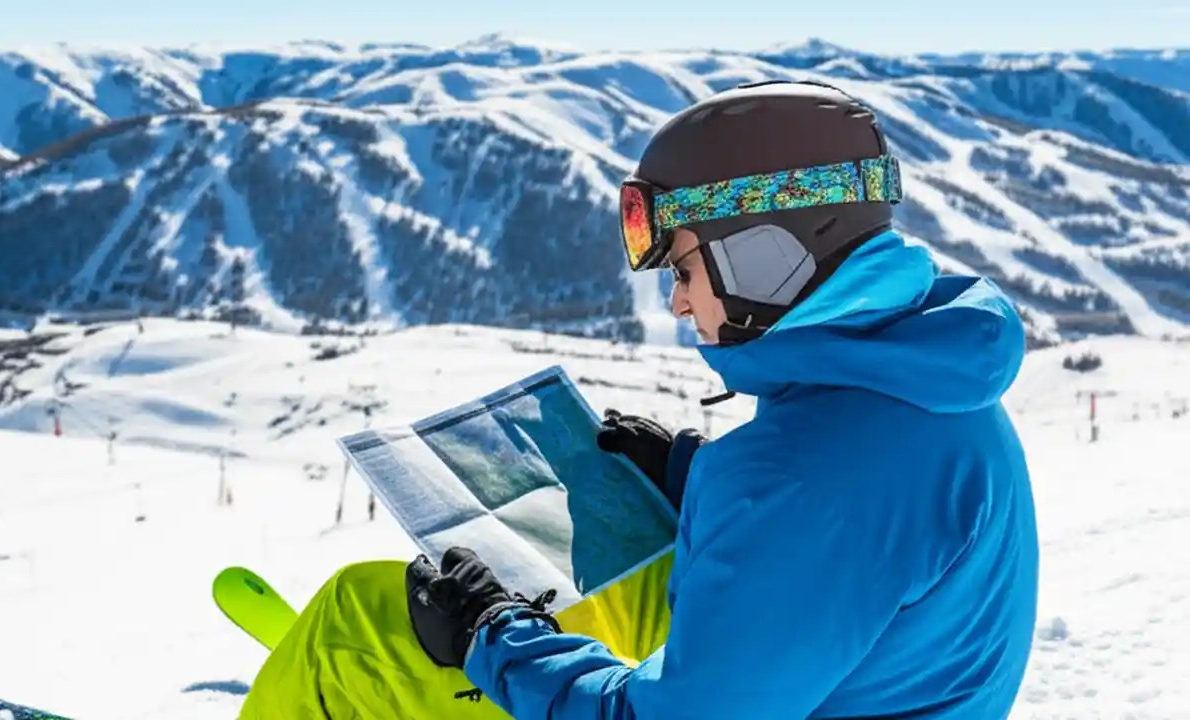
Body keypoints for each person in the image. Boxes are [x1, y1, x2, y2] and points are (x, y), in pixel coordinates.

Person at [405, 80, 1040, 719]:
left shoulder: (805, 478)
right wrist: (694, 476)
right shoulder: (927, 375)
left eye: (684, 269)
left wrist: (491, 638)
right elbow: (855, 530)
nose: (679, 302)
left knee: (366, 626)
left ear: (763, 258)